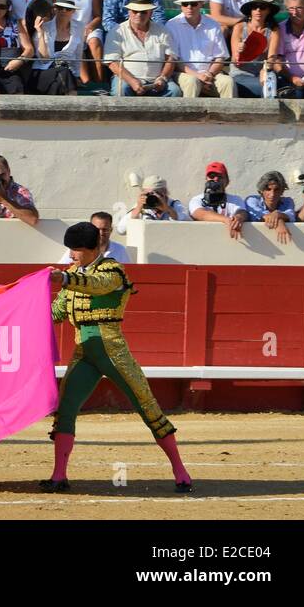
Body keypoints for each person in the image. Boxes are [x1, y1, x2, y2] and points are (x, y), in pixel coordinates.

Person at [43, 220, 192, 494]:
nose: (71, 255)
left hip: (113, 352)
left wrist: (64, 279)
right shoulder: (73, 273)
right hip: (84, 353)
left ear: (90, 249)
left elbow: (98, 285)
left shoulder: (112, 270)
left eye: (75, 250)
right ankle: (58, 475)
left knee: (148, 408)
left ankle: (181, 471)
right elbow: (57, 312)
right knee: (65, 410)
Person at [105, 0, 179, 98]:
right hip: (126, 79)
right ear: (129, 11)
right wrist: (132, 81)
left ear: (151, 13)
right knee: (121, 90)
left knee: (175, 92)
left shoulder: (163, 31)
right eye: (135, 11)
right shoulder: (117, 31)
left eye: (144, 12)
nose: (139, 15)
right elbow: (112, 63)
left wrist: (163, 78)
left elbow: (171, 58)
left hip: (156, 81)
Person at [167, 0, 234, 98]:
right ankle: (188, 115)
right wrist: (198, 76)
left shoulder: (213, 25)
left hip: (210, 74)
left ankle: (231, 116)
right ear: (181, 6)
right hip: (184, 74)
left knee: (228, 82)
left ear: (201, 4)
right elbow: (174, 60)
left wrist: (209, 74)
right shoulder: (171, 25)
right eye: (185, 4)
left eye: (193, 3)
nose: (189, 7)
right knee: (192, 82)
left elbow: (220, 57)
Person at [30, 0, 83, 95]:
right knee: (64, 73)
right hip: (42, 73)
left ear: (73, 11)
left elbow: (78, 55)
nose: (63, 11)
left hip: (64, 77)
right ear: (55, 9)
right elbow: (44, 60)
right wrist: (40, 33)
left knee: (59, 83)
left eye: (68, 9)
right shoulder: (44, 27)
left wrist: (76, 76)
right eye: (60, 7)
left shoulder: (79, 27)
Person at [189, 160, 248, 240]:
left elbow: (242, 212)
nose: (215, 179)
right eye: (212, 176)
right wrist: (226, 219)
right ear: (206, 179)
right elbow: (199, 214)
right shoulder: (197, 199)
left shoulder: (236, 199)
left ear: (227, 181)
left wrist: (238, 218)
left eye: (220, 177)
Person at [117, 174, 191, 234]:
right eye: (148, 194)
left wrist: (168, 209)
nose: (152, 197)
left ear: (165, 192)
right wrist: (138, 208)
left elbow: (189, 223)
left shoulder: (174, 204)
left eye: (156, 193)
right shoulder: (142, 207)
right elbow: (121, 230)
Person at [244, 170, 297, 245]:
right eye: (268, 189)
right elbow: (259, 215)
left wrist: (278, 214)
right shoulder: (251, 200)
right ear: (261, 190)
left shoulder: (288, 201)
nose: (272, 194)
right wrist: (279, 221)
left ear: (282, 191)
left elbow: (291, 216)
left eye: (276, 190)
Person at [56, 211, 129, 265]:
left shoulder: (120, 250)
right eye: (97, 229)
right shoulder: (77, 249)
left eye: (105, 229)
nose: (101, 233)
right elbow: (61, 268)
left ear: (111, 230)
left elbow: (129, 273)